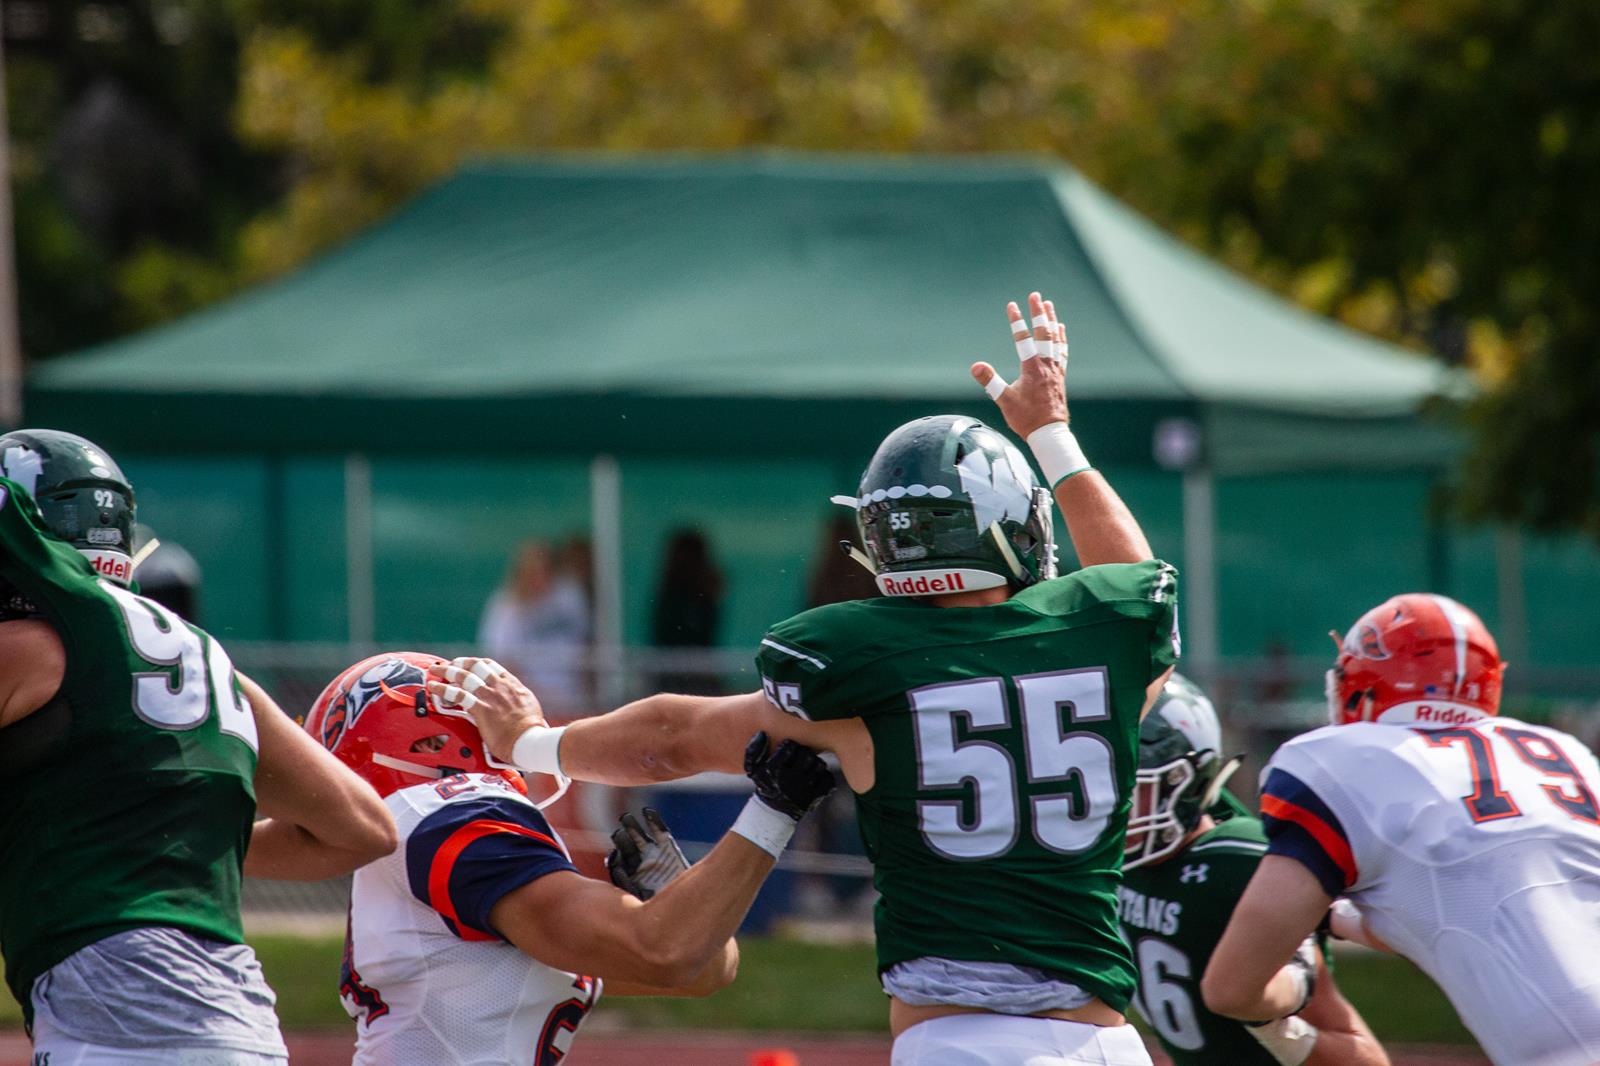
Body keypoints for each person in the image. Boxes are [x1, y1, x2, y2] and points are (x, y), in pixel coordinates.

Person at [435, 293, 1180, 1066]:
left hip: (960, 1042)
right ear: (1016, 526)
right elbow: (1132, 575)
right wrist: (1051, 431)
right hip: (1106, 1043)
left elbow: (674, 737)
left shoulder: (860, 679)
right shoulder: (1109, 653)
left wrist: (533, 743)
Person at [0, 429, 397, 1064]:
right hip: (241, 1016)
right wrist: (160, 853)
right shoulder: (214, 666)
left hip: (117, 1013)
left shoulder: (26, 651)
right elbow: (365, 829)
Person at [304, 651, 835, 1065]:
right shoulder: (448, 822)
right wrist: (773, 810)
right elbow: (663, 952)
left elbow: (699, 968)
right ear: (428, 738)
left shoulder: (427, 849)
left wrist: (674, 895)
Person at [1201, 594, 1600, 1066]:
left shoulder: (1346, 764)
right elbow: (1470, 906)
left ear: (1361, 687)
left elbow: (1231, 987)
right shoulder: (1565, 755)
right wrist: (1337, 918)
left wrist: (1288, 1020)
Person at [1120, 674, 1387, 1066]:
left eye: (1131, 786)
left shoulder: (1239, 864)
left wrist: (1274, 1027)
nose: (1112, 804)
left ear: (1184, 783)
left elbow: (1366, 1059)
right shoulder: (1110, 862)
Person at [479, 540, 592, 711]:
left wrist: (588, 693)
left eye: (546, 571)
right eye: (533, 573)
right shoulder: (506, 607)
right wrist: (533, 696)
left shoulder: (568, 595)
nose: (540, 579)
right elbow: (503, 662)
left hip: (576, 699)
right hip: (530, 701)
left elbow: (587, 643)